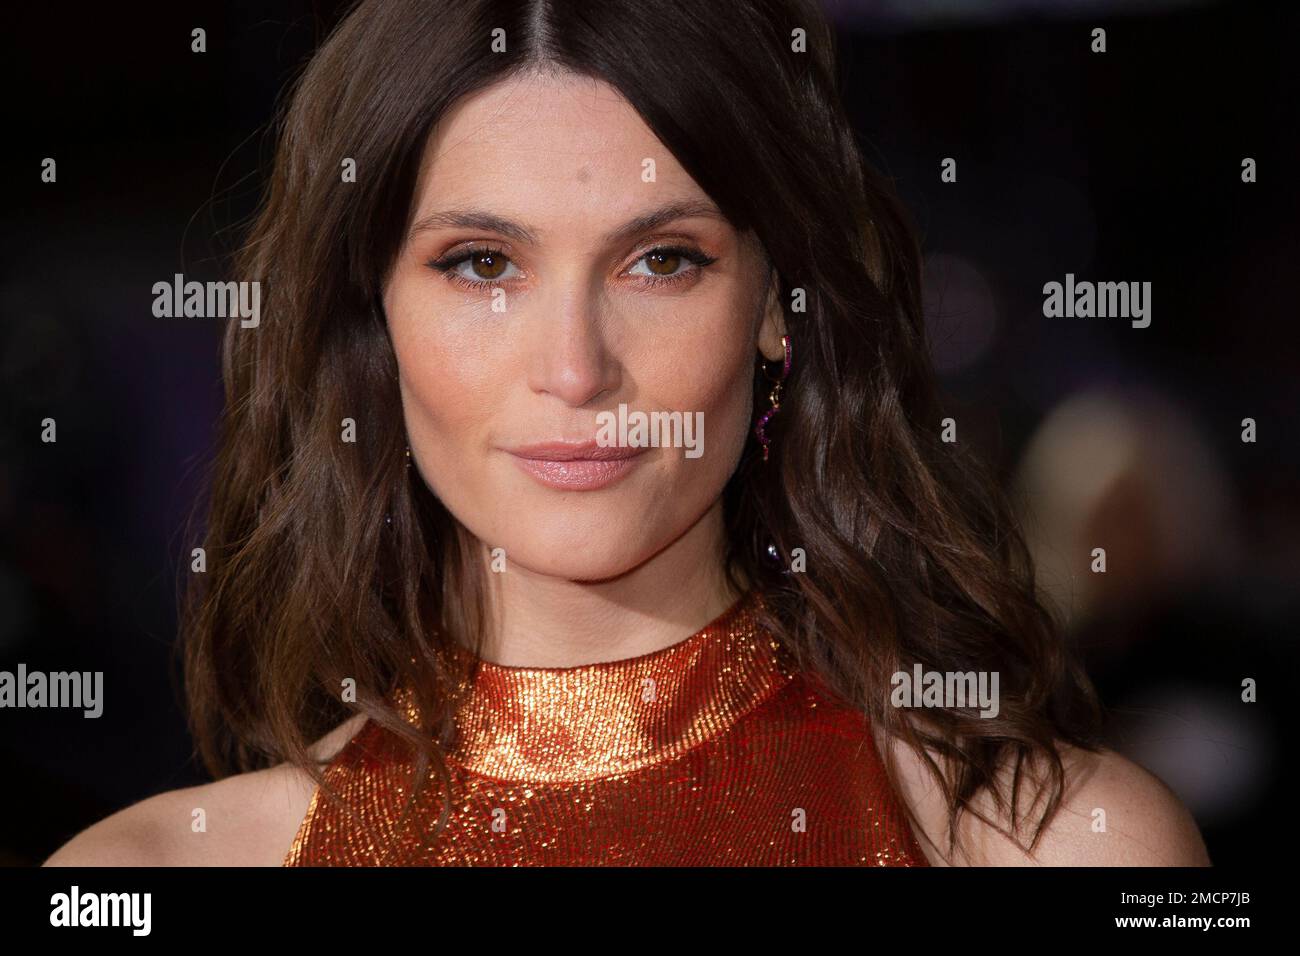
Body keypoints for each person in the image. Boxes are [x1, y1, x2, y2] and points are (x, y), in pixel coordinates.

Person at [45, 0, 1209, 866]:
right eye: (481, 264)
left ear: (770, 306)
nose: (574, 367)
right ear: (374, 317)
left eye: (662, 260)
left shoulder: (1060, 846)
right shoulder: (137, 875)